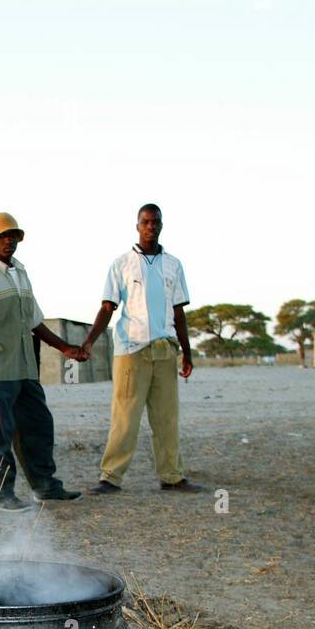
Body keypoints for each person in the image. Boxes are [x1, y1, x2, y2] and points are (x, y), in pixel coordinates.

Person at [0, 213, 87, 511]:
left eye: (13, 236)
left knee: (39, 426)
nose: (9, 240)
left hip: (27, 369)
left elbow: (35, 322)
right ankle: (0, 495)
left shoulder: (22, 274)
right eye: (3, 236)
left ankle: (46, 487)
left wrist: (65, 348)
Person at [83, 203, 203, 495]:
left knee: (166, 417)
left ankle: (172, 476)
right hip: (131, 350)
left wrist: (187, 353)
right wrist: (89, 342)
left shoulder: (173, 264)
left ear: (162, 225)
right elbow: (108, 307)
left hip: (164, 349)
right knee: (125, 416)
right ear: (137, 226)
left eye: (156, 222)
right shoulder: (121, 264)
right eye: (146, 222)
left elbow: (179, 313)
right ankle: (110, 478)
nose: (151, 226)